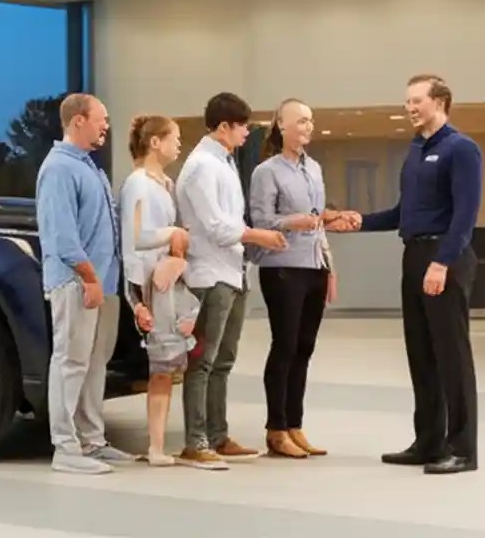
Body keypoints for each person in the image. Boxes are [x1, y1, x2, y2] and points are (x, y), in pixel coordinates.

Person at [342, 74, 483, 475]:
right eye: (407, 101)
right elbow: (402, 213)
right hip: (414, 254)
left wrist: (441, 262)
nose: (409, 107)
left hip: (445, 257)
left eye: (416, 100)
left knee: (451, 356)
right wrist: (359, 221)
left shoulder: (461, 149)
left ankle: (462, 448)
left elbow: (465, 215)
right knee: (421, 353)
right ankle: (428, 442)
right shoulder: (417, 151)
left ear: (440, 102)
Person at [173, 92, 288, 470]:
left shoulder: (222, 161)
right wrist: (260, 237)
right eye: (242, 127)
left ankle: (218, 436)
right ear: (224, 126)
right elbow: (216, 227)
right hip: (210, 274)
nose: (245, 134)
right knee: (202, 362)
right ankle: (196, 441)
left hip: (232, 272)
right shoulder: (203, 166)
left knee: (223, 361)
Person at [35, 93, 135, 474]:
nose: (106, 125)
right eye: (101, 118)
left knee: (94, 364)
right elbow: (61, 236)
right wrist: (89, 278)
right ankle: (65, 448)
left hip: (102, 285)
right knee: (70, 362)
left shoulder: (90, 167)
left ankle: (92, 441)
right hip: (77, 283)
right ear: (78, 121)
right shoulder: (59, 169)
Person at [248, 98, 350, 459]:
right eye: (302, 121)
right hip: (282, 266)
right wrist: (295, 221)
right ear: (282, 125)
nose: (308, 127)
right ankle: (275, 429)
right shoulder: (267, 172)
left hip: (313, 266)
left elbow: (318, 222)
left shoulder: (314, 169)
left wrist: (329, 266)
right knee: (285, 346)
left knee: (305, 348)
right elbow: (261, 221)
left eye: (311, 120)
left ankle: (295, 424)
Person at [119, 114, 200, 466]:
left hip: (168, 280)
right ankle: (155, 446)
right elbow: (135, 238)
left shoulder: (164, 183)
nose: (179, 144)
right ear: (155, 142)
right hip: (150, 284)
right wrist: (173, 235)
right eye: (174, 137)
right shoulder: (138, 184)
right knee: (161, 367)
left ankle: (157, 445)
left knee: (168, 367)